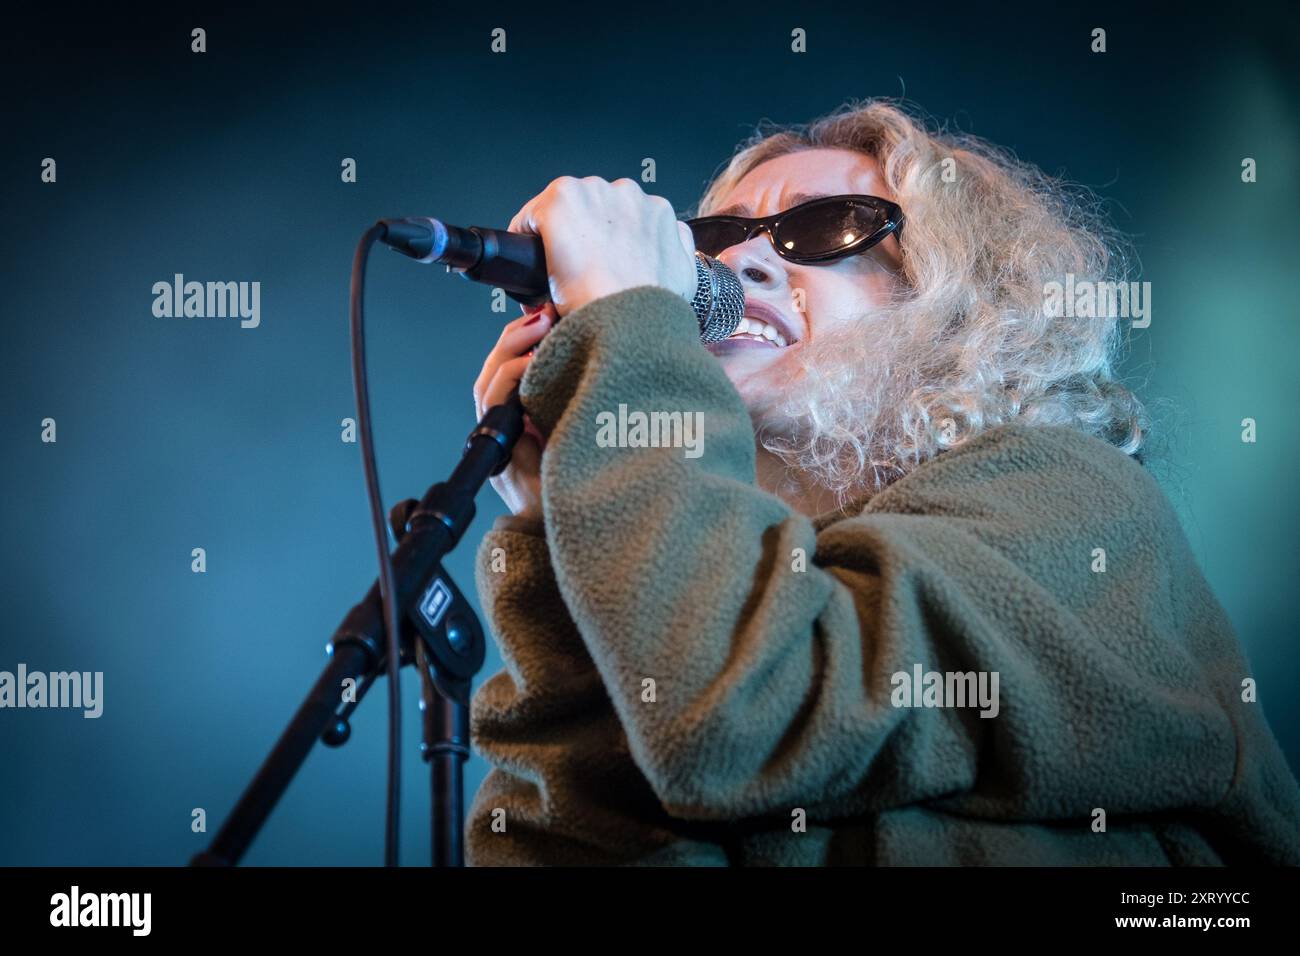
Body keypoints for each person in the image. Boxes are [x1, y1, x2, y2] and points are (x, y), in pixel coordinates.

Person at [465, 98, 1300, 865]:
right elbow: (558, 843)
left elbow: (742, 719)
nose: (741, 261)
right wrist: (562, 528)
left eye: (822, 228)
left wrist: (635, 350)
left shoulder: (1075, 495)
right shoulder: (732, 568)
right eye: (715, 237)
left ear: (960, 308)